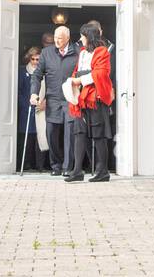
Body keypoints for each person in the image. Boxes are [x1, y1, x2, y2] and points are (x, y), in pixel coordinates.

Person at [65, 22, 113, 183]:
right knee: (79, 133)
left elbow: (101, 73)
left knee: (99, 136)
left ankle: (103, 171)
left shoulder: (102, 52)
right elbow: (77, 70)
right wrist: (73, 80)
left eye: (82, 36)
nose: (80, 38)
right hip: (81, 97)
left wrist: (80, 79)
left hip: (95, 98)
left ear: (89, 37)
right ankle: (77, 170)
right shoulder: (83, 53)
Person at [30, 25, 78, 175]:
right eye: (56, 38)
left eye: (60, 39)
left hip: (71, 98)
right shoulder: (46, 53)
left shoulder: (77, 52)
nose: (56, 41)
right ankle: (56, 165)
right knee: (51, 133)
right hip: (53, 99)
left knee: (70, 134)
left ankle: (67, 167)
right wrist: (34, 93)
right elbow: (37, 75)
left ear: (68, 39)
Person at [17, 46, 48, 172]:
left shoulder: (45, 73)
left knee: (41, 137)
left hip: (42, 110)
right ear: (29, 59)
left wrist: (44, 103)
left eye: (38, 60)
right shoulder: (22, 72)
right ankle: (26, 164)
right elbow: (18, 92)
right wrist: (26, 104)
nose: (35, 62)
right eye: (33, 59)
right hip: (27, 110)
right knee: (28, 137)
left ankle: (40, 165)